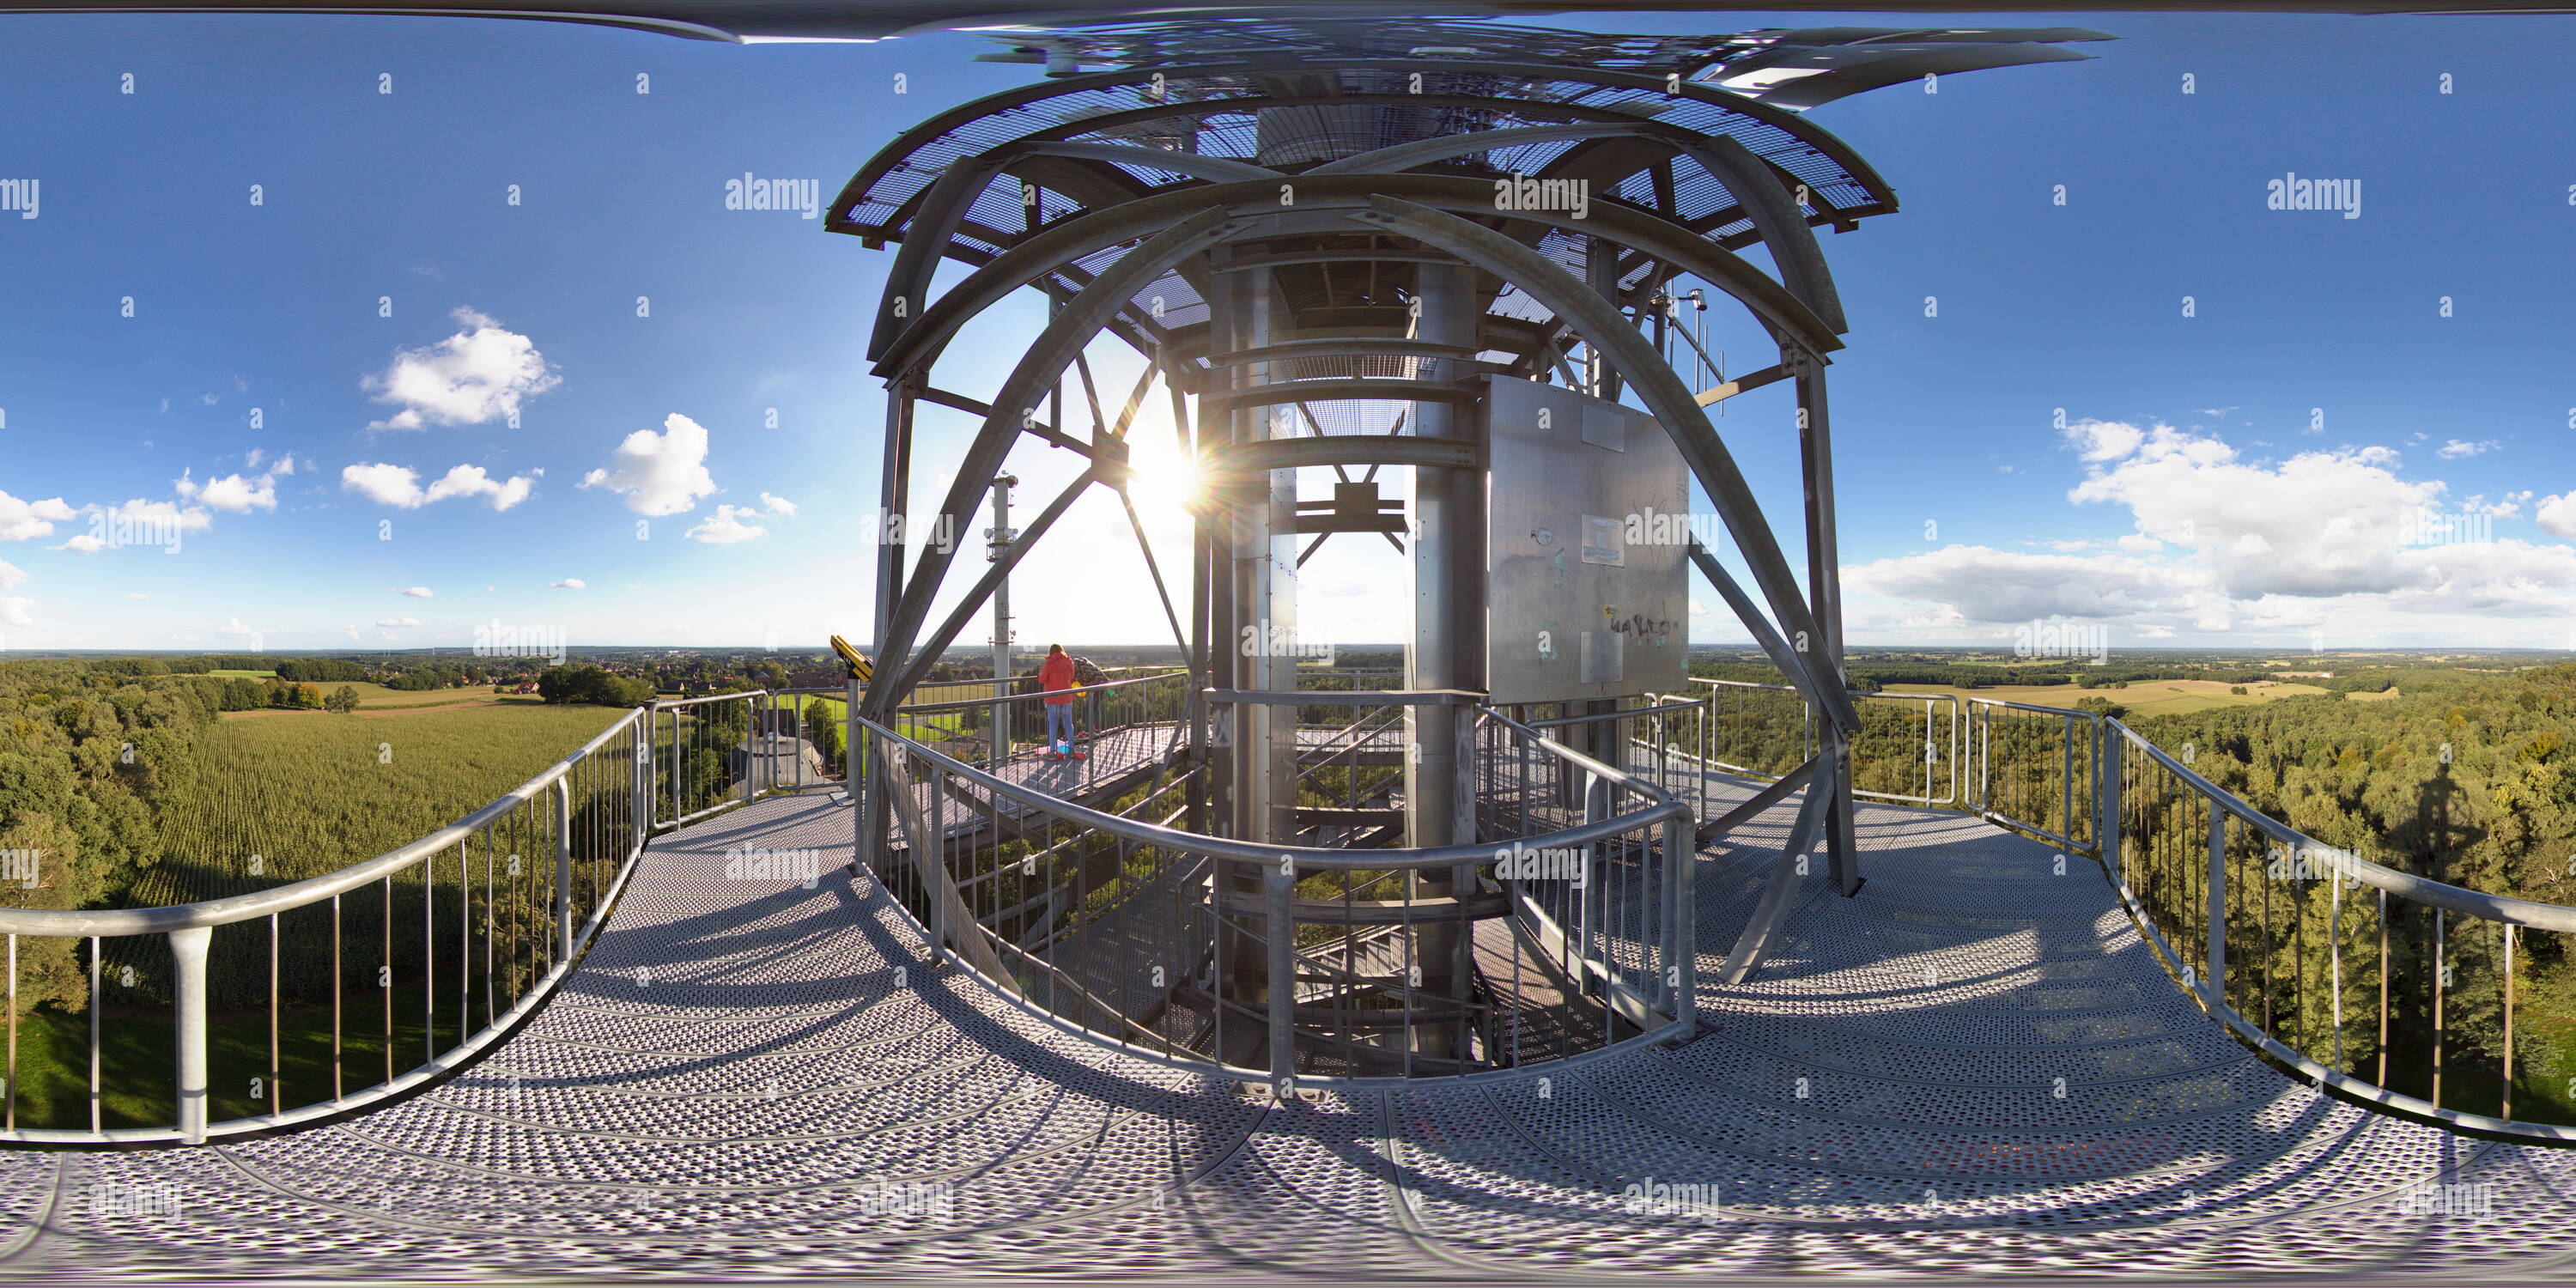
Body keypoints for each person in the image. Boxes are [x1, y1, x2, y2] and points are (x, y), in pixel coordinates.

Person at [1037, 643, 1084, 760]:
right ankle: (1072, 750)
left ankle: (1053, 752)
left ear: (1051, 652)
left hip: (1053, 698)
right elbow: (1072, 676)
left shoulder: (1049, 663)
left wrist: (1040, 674)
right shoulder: (1069, 661)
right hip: (1067, 697)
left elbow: (1042, 679)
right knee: (1068, 723)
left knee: (1053, 724)